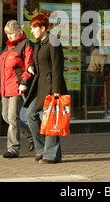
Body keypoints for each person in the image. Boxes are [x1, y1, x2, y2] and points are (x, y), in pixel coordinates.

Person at [24, 13, 67, 163]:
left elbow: (57, 67)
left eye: (34, 28)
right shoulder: (38, 42)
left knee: (51, 120)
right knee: (30, 115)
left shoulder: (53, 41)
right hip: (39, 85)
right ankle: (41, 149)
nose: (32, 31)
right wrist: (30, 67)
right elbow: (36, 61)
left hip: (51, 86)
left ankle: (52, 155)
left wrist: (56, 90)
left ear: (43, 28)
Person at [0, 20, 34, 158]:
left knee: (13, 118)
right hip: (5, 87)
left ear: (19, 31)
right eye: (7, 34)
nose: (9, 37)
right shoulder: (8, 47)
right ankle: (33, 137)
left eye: (12, 34)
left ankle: (13, 148)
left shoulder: (25, 44)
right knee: (6, 117)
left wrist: (24, 82)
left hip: (17, 86)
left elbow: (29, 65)